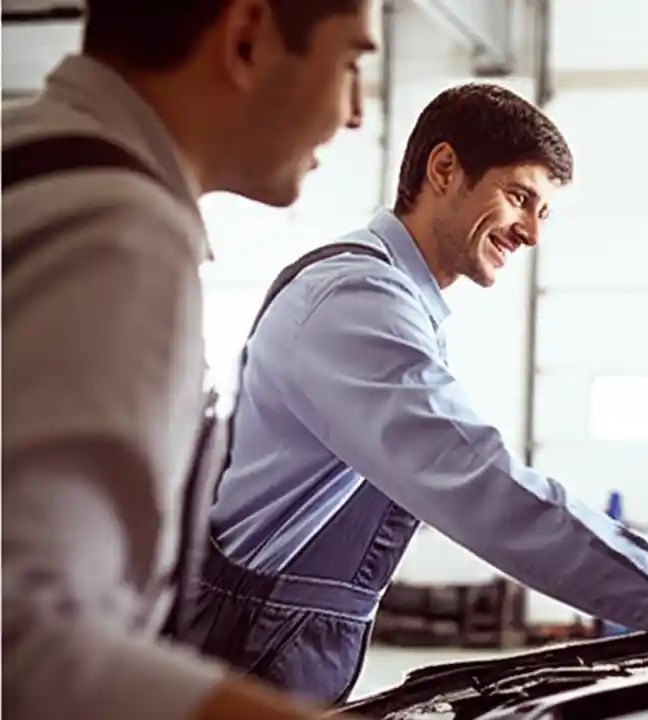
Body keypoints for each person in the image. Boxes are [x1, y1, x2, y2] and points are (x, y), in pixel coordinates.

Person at [180, 84, 648, 705]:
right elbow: (490, 495)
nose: (529, 232)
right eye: (520, 197)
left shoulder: (388, 300)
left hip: (276, 646)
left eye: (544, 212)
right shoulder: (356, 302)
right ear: (444, 169)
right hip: (241, 647)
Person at [2, 1, 378, 719]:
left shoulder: (28, 159)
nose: (357, 112)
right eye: (350, 64)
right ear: (245, 39)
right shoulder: (116, 231)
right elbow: (28, 648)